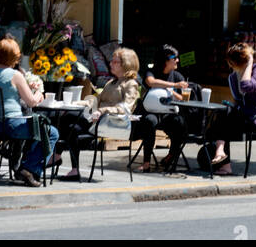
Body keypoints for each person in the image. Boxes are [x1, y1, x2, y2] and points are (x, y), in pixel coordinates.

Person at [0, 37, 58, 189]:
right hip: (11, 125)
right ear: (15, 57)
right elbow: (31, 102)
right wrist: (39, 93)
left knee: (36, 129)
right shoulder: (15, 75)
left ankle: (24, 168)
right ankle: (28, 169)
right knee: (50, 132)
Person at [59, 46, 139, 182]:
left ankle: (59, 158)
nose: (111, 64)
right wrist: (78, 103)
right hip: (99, 120)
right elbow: (97, 101)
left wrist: (103, 110)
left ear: (126, 64)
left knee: (72, 123)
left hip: (113, 123)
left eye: (115, 62)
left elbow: (126, 108)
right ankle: (70, 166)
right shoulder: (111, 82)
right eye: (112, 61)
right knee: (69, 120)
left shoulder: (131, 84)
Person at [210, 41, 256, 177]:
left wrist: (249, 63)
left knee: (225, 116)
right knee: (223, 112)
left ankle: (220, 154)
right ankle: (223, 160)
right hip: (242, 117)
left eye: (231, 62)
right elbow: (238, 99)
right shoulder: (233, 77)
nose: (230, 65)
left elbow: (246, 86)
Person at [140, 43, 193, 173]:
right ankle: (146, 163)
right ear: (166, 59)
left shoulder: (177, 76)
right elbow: (151, 82)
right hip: (151, 111)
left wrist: (172, 92)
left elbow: (184, 99)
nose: (177, 60)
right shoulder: (151, 72)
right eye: (175, 58)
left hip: (168, 114)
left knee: (180, 123)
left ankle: (171, 155)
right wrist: (173, 85)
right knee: (149, 121)